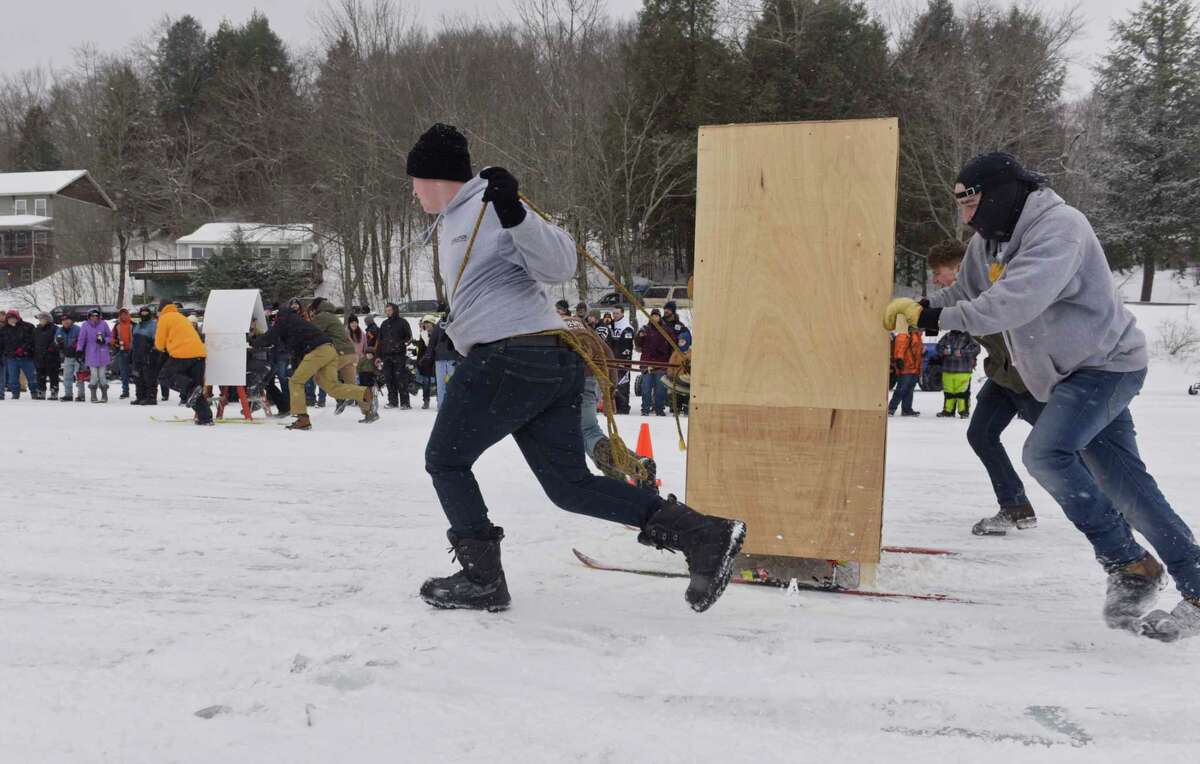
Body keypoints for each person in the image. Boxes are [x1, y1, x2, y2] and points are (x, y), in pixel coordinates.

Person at [405, 123, 744, 613]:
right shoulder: (455, 220)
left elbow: (560, 264)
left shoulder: (490, 207)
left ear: (434, 178)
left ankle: (482, 579)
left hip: (511, 357)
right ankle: (705, 534)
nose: (412, 193)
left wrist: (516, 211)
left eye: (414, 181)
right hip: (546, 361)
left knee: (445, 460)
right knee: (568, 486)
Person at [884, 151, 1200, 641]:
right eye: (960, 207)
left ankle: (1127, 563)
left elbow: (1015, 302)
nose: (966, 217)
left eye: (971, 203)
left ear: (1000, 194)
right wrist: (922, 306)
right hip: (1062, 378)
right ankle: (1189, 584)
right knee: (1127, 487)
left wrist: (934, 320)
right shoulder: (987, 244)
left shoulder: (1059, 228)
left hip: (1106, 367)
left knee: (1047, 453)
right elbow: (965, 294)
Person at [927, 238, 1040, 536]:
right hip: (1003, 377)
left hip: (1031, 378)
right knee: (981, 434)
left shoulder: (995, 287)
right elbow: (948, 306)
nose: (936, 280)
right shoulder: (964, 293)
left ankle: (1113, 505)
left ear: (959, 267)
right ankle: (1015, 506)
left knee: (1064, 446)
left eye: (939, 273)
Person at [250, 302, 378, 429]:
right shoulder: (293, 320)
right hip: (331, 350)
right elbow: (288, 341)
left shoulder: (284, 319)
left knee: (295, 382)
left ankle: (302, 419)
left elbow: (270, 336)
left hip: (318, 351)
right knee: (331, 387)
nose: (271, 319)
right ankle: (365, 392)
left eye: (271, 315)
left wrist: (251, 342)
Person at [154, 299, 213, 425]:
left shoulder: (164, 318)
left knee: (164, 376)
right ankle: (205, 418)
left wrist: (162, 348)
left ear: (160, 310)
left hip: (182, 353)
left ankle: (191, 388)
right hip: (200, 354)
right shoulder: (181, 317)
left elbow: (159, 344)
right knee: (195, 391)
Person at [308, 298, 360, 415]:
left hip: (339, 353)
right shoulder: (332, 316)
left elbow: (311, 333)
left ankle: (340, 398)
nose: (311, 313)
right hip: (350, 353)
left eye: (311, 310)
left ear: (316, 308)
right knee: (353, 388)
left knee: (320, 376)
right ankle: (369, 406)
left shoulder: (321, 317)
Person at [634, 309, 671, 416]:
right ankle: (645, 409)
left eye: (656, 316)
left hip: (661, 364)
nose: (654, 318)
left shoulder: (666, 330)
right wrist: (639, 336)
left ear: (660, 317)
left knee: (660, 390)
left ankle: (659, 409)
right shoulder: (645, 329)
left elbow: (672, 345)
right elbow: (637, 344)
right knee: (646, 388)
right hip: (647, 363)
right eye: (653, 316)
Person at [936, 329, 980, 418]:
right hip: (947, 369)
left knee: (962, 393)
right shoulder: (947, 336)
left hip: (963, 370)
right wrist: (943, 350)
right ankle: (948, 411)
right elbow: (938, 347)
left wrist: (962, 352)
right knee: (948, 392)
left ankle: (964, 412)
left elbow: (977, 348)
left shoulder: (968, 335)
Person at [379, 302, 413, 409]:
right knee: (389, 379)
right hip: (387, 355)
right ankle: (392, 401)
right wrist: (379, 355)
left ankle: (405, 403)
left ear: (395, 310)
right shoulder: (384, 324)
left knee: (400, 379)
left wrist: (401, 344)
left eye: (390, 310)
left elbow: (409, 337)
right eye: (387, 310)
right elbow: (380, 341)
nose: (388, 312)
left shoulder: (403, 322)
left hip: (399, 355)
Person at [1, 309, 40, 400]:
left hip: (26, 357)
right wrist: (6, 352)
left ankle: (34, 392)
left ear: (18, 317)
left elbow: (32, 340)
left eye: (14, 317)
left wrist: (24, 348)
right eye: (10, 318)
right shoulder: (4, 329)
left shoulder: (28, 326)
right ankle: (15, 394)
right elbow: (2, 344)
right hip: (11, 358)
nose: (12, 320)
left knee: (31, 377)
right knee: (13, 378)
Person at [423, 316, 461, 408]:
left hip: (450, 357)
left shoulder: (455, 321)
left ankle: (449, 405)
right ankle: (443, 405)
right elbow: (433, 341)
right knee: (445, 383)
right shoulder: (440, 325)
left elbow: (432, 341)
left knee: (448, 383)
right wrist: (428, 355)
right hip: (443, 357)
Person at [888, 320, 923, 416]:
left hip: (913, 368)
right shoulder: (905, 335)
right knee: (901, 389)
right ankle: (891, 409)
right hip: (906, 367)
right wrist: (899, 359)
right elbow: (900, 348)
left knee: (909, 389)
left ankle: (906, 409)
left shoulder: (916, 335)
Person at [75, 308, 111, 403]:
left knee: (102, 375)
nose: (94, 317)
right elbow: (81, 339)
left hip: (103, 352)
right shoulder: (85, 325)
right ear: (89, 316)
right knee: (94, 375)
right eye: (92, 316)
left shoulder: (103, 324)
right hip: (91, 352)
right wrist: (79, 350)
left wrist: (104, 340)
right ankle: (93, 395)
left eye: (96, 316)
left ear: (99, 316)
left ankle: (104, 395)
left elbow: (110, 336)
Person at [604, 306, 634, 414]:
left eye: (617, 313)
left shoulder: (627, 327)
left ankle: (623, 407)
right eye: (613, 313)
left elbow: (627, 346)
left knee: (622, 384)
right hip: (611, 359)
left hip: (622, 361)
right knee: (612, 383)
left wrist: (622, 360)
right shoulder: (611, 325)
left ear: (622, 313)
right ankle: (614, 405)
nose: (614, 315)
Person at [130, 306, 161, 406]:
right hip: (137, 356)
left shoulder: (154, 325)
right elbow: (133, 341)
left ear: (149, 314)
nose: (144, 315)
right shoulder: (137, 326)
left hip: (149, 355)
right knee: (138, 377)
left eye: (146, 313)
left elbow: (157, 340)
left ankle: (151, 397)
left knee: (149, 377)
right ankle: (140, 397)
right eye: (142, 313)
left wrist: (152, 351)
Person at [55, 315, 84, 402]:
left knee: (79, 376)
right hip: (67, 357)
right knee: (67, 376)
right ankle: (68, 395)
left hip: (78, 356)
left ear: (71, 320)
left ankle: (81, 395)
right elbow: (56, 341)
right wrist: (59, 344)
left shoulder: (77, 329)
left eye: (67, 320)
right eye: (63, 320)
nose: (65, 322)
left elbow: (82, 340)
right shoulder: (59, 330)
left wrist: (76, 347)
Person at [32, 313, 61, 400]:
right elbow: (33, 342)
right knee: (40, 376)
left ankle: (54, 393)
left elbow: (58, 340)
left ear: (48, 319)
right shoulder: (36, 330)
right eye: (39, 319)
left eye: (42, 319)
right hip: (39, 357)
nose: (40, 321)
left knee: (53, 376)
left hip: (52, 357)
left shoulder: (55, 329)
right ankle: (41, 392)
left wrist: (52, 348)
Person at [413, 315, 437, 409]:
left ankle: (440, 400)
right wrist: (419, 361)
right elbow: (421, 349)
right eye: (425, 323)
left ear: (432, 323)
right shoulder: (423, 334)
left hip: (436, 361)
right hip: (426, 362)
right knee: (426, 382)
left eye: (427, 323)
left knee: (439, 382)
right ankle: (426, 401)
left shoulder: (437, 333)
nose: (426, 325)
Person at [111, 307, 135, 399]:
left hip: (133, 351)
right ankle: (125, 391)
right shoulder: (117, 325)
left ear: (128, 315)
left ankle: (140, 391)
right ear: (120, 316)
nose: (123, 316)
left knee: (136, 372)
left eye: (125, 314)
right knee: (124, 373)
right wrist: (115, 342)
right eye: (122, 314)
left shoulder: (134, 324)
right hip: (121, 351)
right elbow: (111, 337)